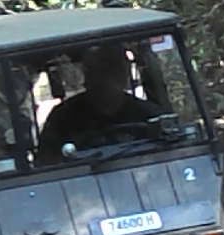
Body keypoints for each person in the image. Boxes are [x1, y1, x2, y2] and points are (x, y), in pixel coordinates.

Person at [37, 44, 167, 163]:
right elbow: (46, 164)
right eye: (97, 70)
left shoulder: (150, 114)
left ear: (125, 74)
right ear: (87, 75)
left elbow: (170, 154)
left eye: (113, 70)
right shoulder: (62, 118)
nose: (106, 79)